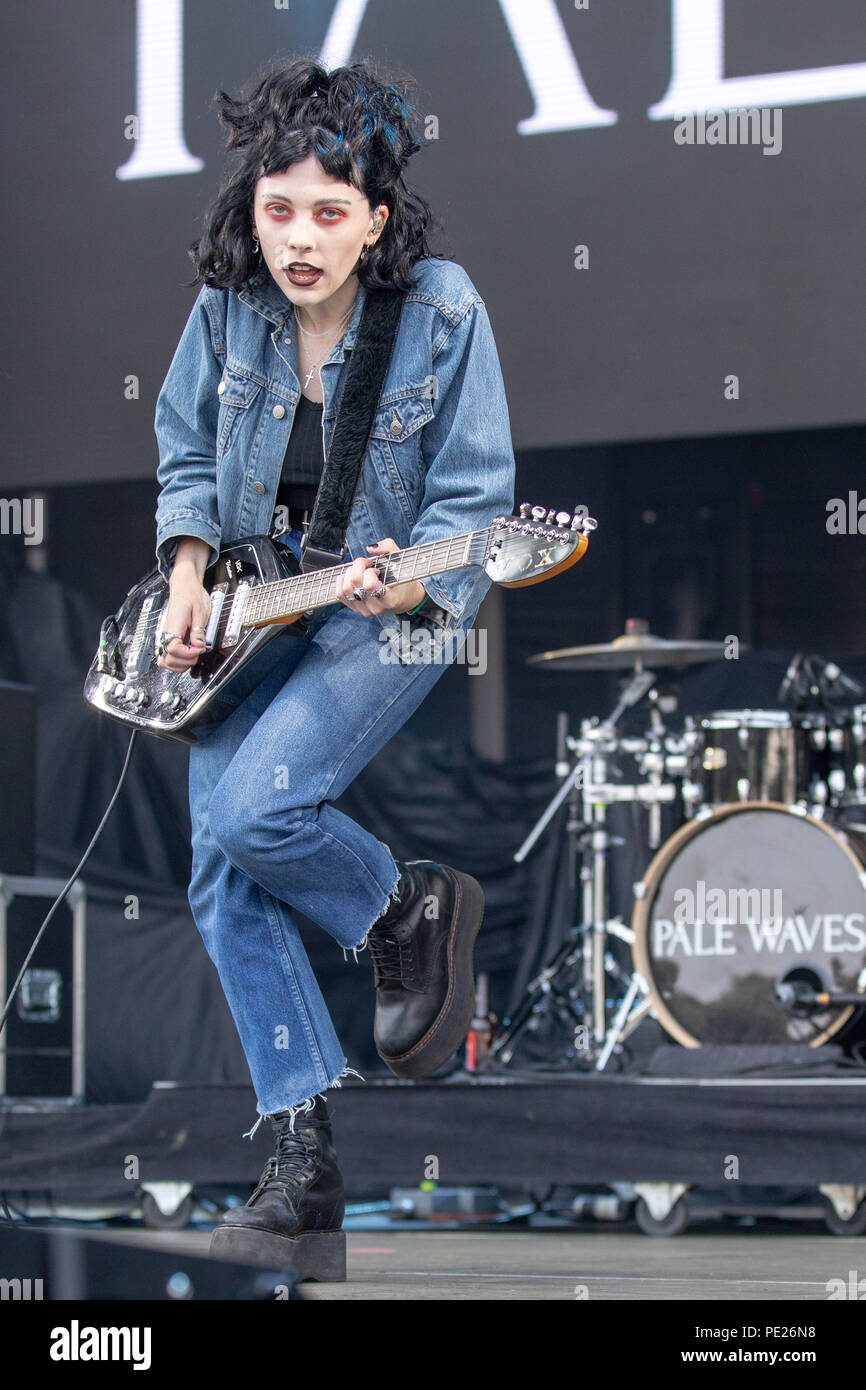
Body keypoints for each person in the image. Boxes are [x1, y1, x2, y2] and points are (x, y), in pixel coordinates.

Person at [152, 56, 515, 1279]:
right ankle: (302, 1165)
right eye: (276, 208)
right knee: (219, 862)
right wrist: (192, 565)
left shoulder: (442, 308)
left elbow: (475, 504)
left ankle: (405, 901)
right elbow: (184, 446)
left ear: (376, 214)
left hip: (390, 611)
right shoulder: (230, 305)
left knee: (258, 809)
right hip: (261, 605)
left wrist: (408, 578)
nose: (297, 240)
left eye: (326, 213)